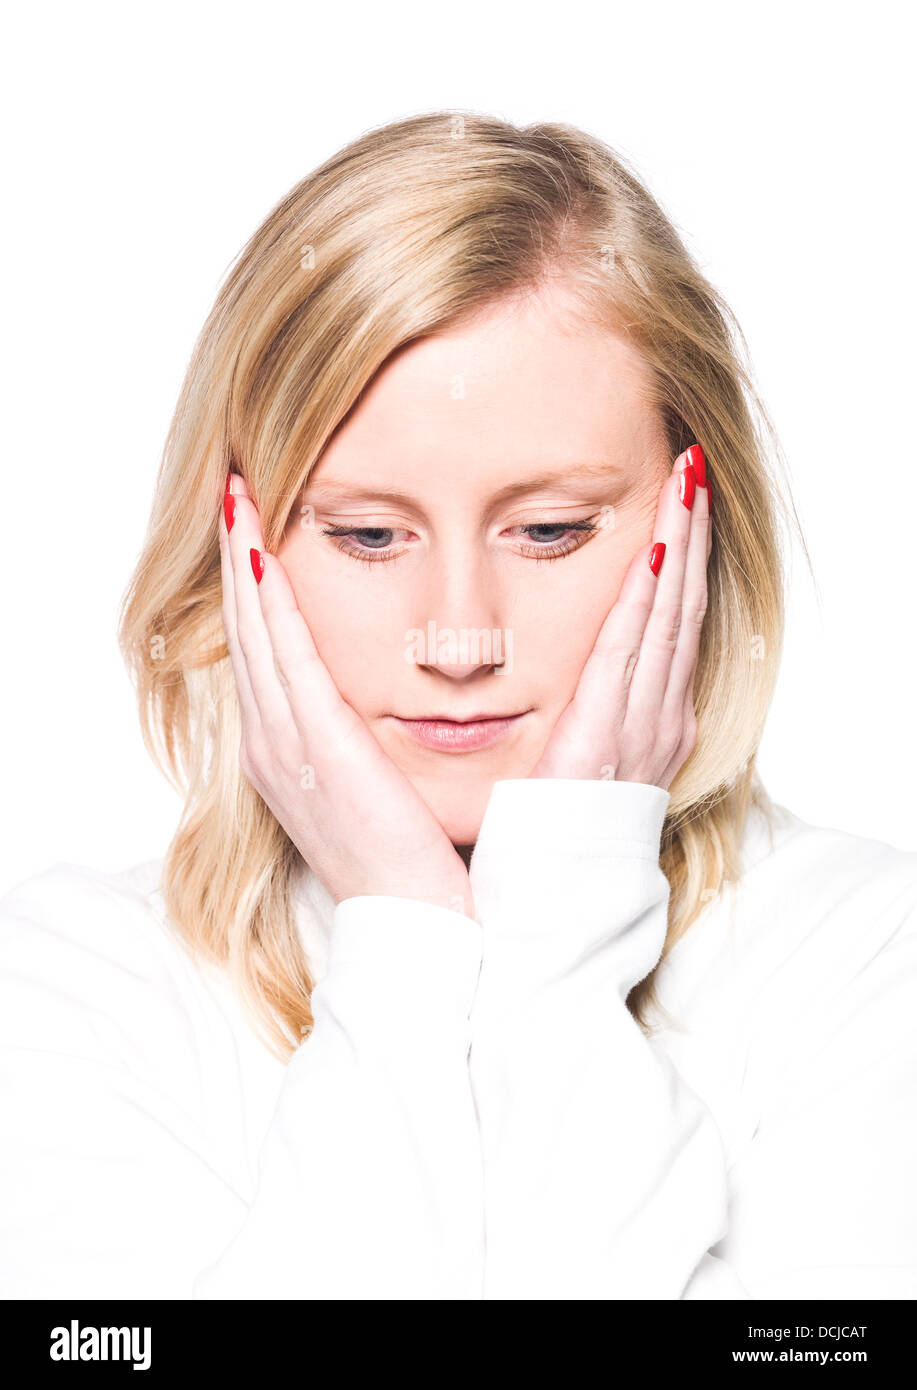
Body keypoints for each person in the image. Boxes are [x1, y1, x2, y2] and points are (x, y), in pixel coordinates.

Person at [1, 112, 915, 1301]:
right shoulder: (72, 987)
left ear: (696, 521)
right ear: (238, 545)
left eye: (547, 531)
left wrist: (562, 924)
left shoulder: (859, 960)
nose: (457, 636)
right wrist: (399, 935)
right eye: (368, 535)